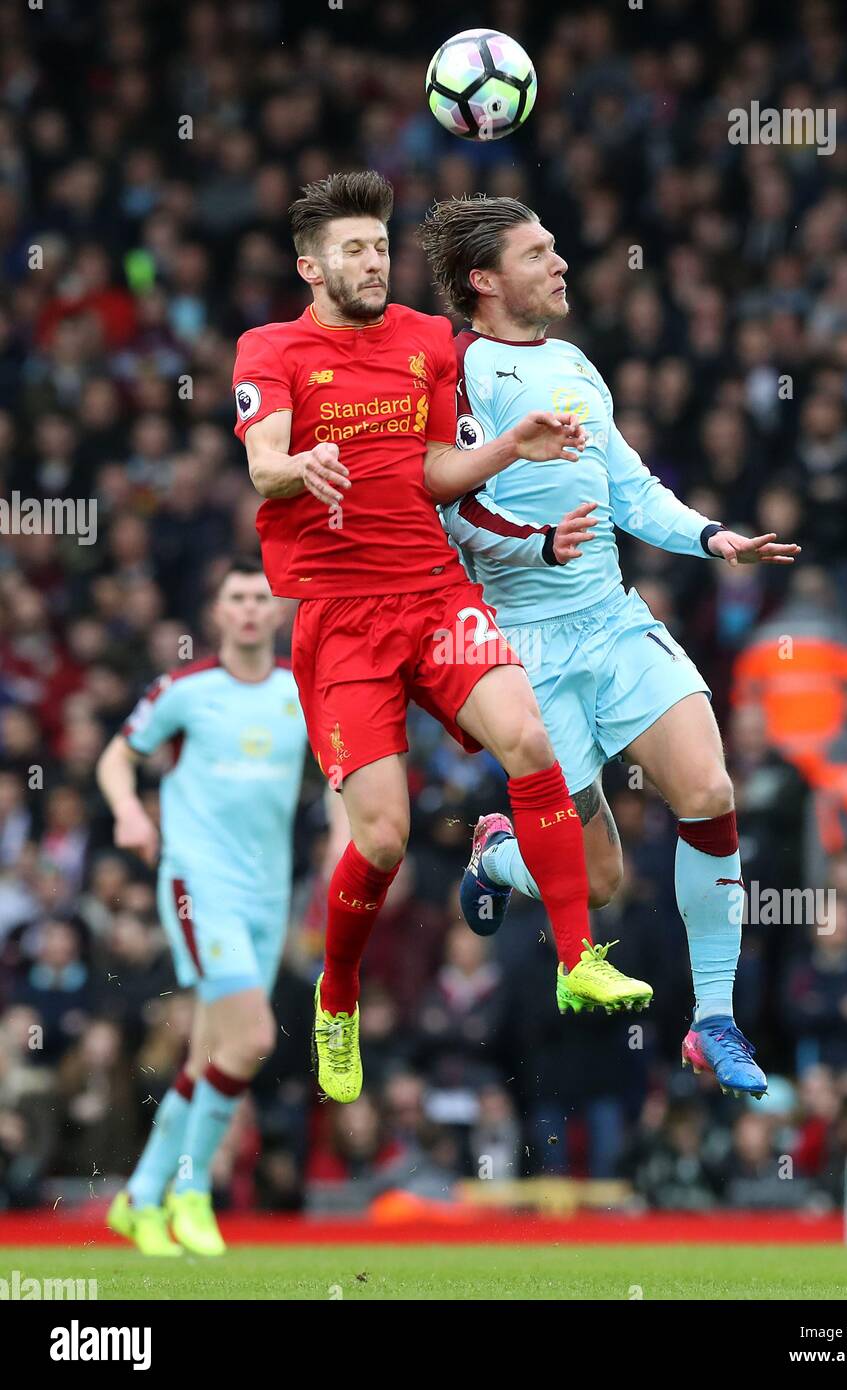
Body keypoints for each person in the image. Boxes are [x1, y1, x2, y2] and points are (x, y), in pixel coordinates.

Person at [232, 172, 654, 1107]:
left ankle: (579, 956)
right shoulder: (271, 349)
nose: (372, 261)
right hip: (341, 619)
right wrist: (299, 464)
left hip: (432, 595)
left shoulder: (429, 341)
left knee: (530, 740)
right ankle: (336, 995)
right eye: (351, 248)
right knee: (382, 839)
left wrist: (510, 449)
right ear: (310, 265)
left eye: (380, 246)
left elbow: (431, 471)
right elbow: (264, 465)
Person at [419, 195, 802, 1098]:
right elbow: (446, 505)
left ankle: (713, 1020)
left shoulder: (576, 363)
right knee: (598, 884)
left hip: (613, 618)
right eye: (538, 252)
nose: (561, 264)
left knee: (709, 789)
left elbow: (629, 489)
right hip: (526, 649)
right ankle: (495, 853)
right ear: (483, 279)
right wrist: (531, 545)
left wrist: (713, 537)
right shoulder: (454, 374)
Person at [96, 558, 308, 1256]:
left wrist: (348, 836)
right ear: (217, 613)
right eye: (235, 598)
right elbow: (115, 758)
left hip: (269, 896)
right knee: (248, 1040)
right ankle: (191, 1191)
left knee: (207, 1053)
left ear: (276, 611)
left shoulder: (300, 692)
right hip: (199, 883)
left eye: (259, 597)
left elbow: (342, 776)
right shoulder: (185, 691)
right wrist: (129, 813)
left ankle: (139, 1197)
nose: (248, 609)